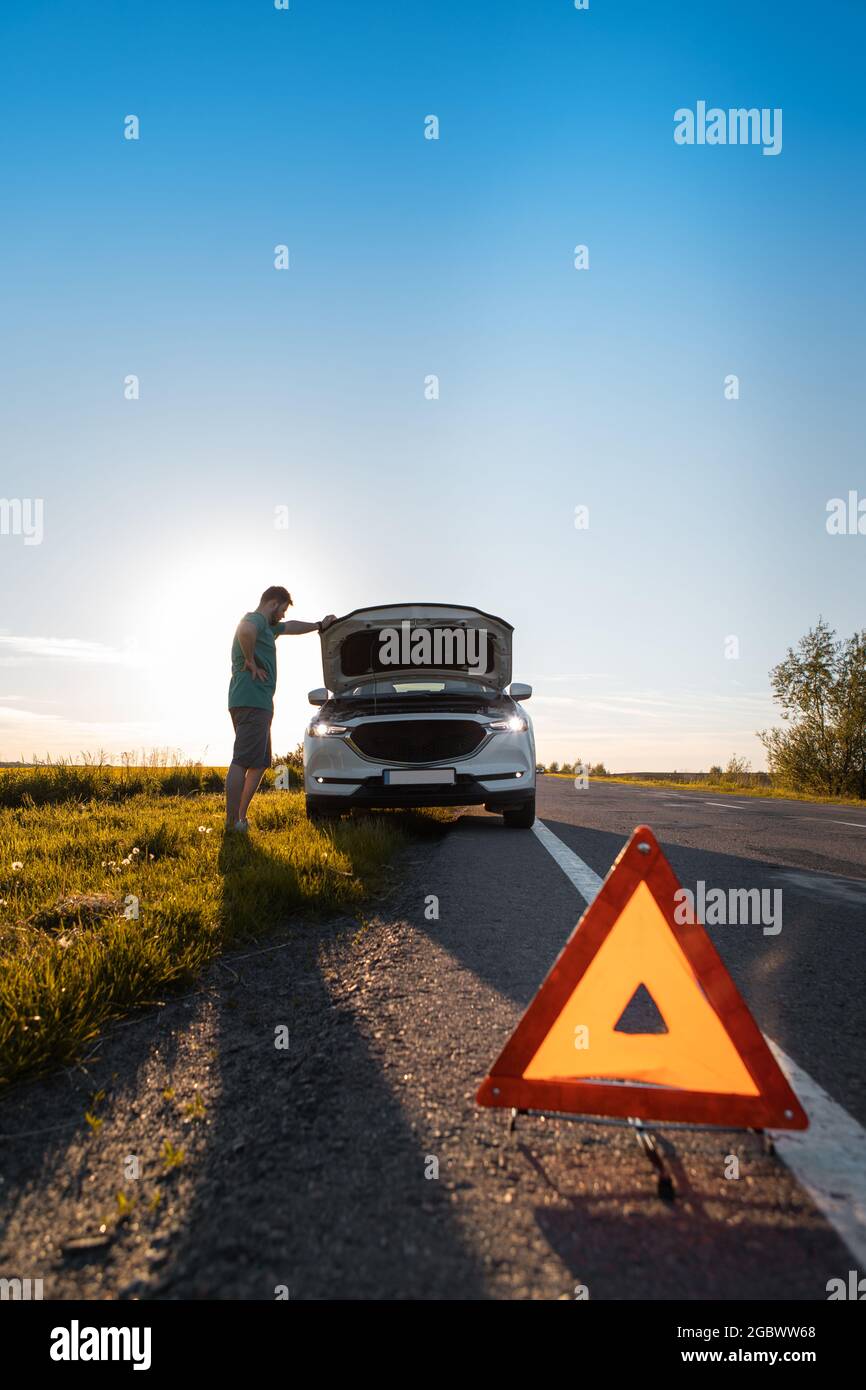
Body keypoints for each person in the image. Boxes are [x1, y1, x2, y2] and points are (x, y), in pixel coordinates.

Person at [226, 586, 336, 831]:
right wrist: (250, 661)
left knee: (259, 763)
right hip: (251, 700)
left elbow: (292, 627)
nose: (284, 615)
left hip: (258, 702)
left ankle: (241, 819)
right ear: (273, 603)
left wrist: (320, 625)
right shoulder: (254, 619)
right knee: (243, 760)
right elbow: (244, 631)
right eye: (283, 609)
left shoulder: (268, 627)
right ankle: (231, 822)